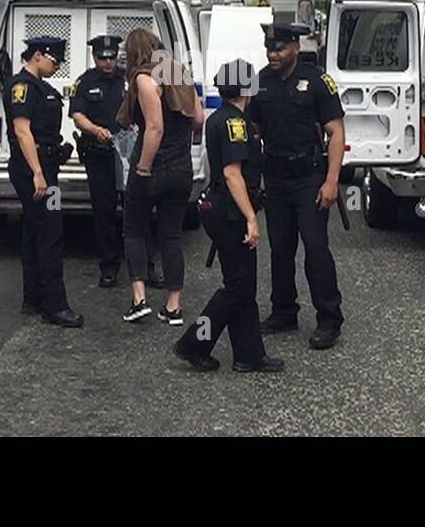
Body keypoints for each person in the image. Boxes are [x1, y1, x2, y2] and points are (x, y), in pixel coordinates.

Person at [174, 60, 284, 373]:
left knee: (243, 284)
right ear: (247, 89)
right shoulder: (236, 123)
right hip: (231, 211)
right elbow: (232, 174)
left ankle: (248, 354)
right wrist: (251, 217)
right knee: (236, 287)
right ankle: (194, 343)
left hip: (220, 207)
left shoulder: (218, 117)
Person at [252, 22, 346, 350]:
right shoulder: (260, 82)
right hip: (276, 177)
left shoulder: (318, 81)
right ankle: (283, 310)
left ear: (295, 47)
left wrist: (332, 181)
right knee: (280, 248)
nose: (272, 54)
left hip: (309, 177)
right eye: (269, 49)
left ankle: (329, 318)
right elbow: (255, 131)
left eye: (278, 49)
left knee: (316, 247)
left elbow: (336, 132)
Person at [117, 27, 204, 325]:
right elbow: (199, 120)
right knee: (172, 235)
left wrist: (143, 167)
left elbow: (155, 127)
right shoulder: (178, 72)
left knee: (134, 230)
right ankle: (173, 306)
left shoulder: (144, 79)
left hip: (154, 166)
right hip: (181, 168)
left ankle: (139, 299)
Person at [7, 35, 83, 328]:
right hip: (34, 172)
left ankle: (33, 298)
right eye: (54, 60)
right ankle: (55, 306)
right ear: (38, 55)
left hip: (44, 166)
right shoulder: (22, 88)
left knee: (33, 230)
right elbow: (22, 131)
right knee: (51, 232)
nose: (57, 65)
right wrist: (38, 172)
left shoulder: (40, 87)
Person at [69, 35, 126, 288]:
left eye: (112, 57)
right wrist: (95, 130)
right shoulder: (85, 81)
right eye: (103, 58)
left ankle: (143, 265)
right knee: (103, 210)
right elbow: (77, 115)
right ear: (95, 58)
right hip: (98, 152)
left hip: (126, 154)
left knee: (135, 209)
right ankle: (109, 265)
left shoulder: (128, 78)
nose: (108, 62)